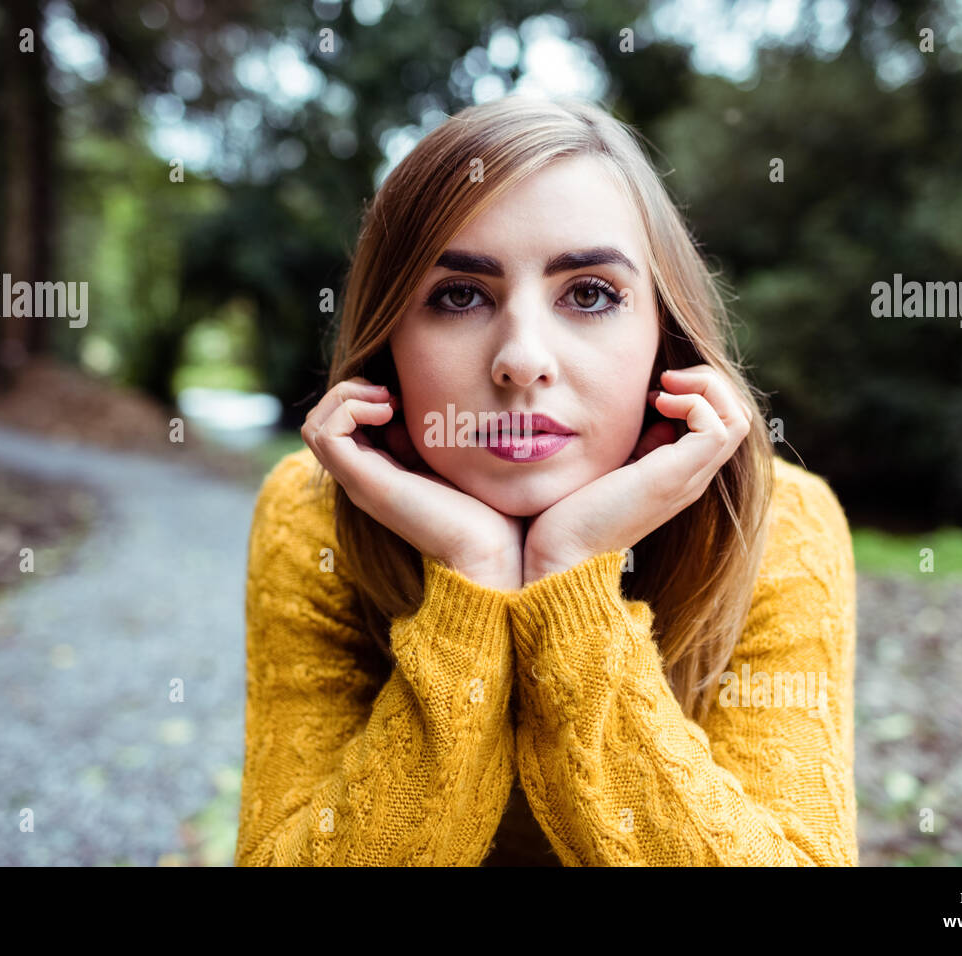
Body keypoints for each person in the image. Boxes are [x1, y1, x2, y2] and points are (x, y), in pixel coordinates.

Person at [233, 95, 858, 866]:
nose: (521, 358)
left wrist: (571, 575)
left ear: (664, 333)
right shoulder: (314, 514)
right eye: (460, 295)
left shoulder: (776, 524)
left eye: (590, 293)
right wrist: (473, 578)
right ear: (387, 339)